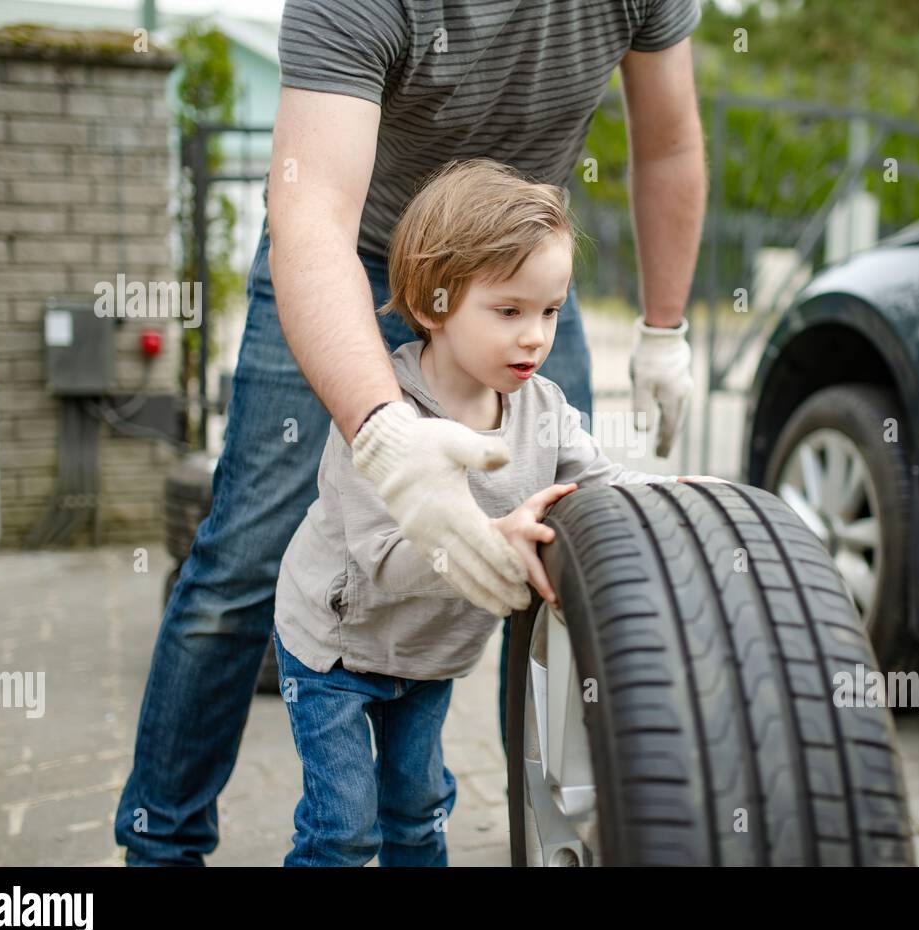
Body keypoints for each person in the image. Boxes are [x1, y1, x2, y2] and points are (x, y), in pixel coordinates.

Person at [116, 0, 706, 865]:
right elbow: (310, 205)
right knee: (243, 560)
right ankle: (160, 847)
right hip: (347, 246)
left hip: (514, 271)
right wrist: (386, 434)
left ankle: (559, 844)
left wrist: (663, 328)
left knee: (566, 553)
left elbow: (669, 143)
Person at [273, 158, 722, 866]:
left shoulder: (541, 409)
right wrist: (486, 540)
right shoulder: (385, 415)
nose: (535, 337)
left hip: (430, 655)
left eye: (550, 310)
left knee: (417, 812)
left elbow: (597, 482)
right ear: (434, 303)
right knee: (345, 829)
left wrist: (672, 496)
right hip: (334, 645)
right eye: (508, 311)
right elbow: (384, 559)